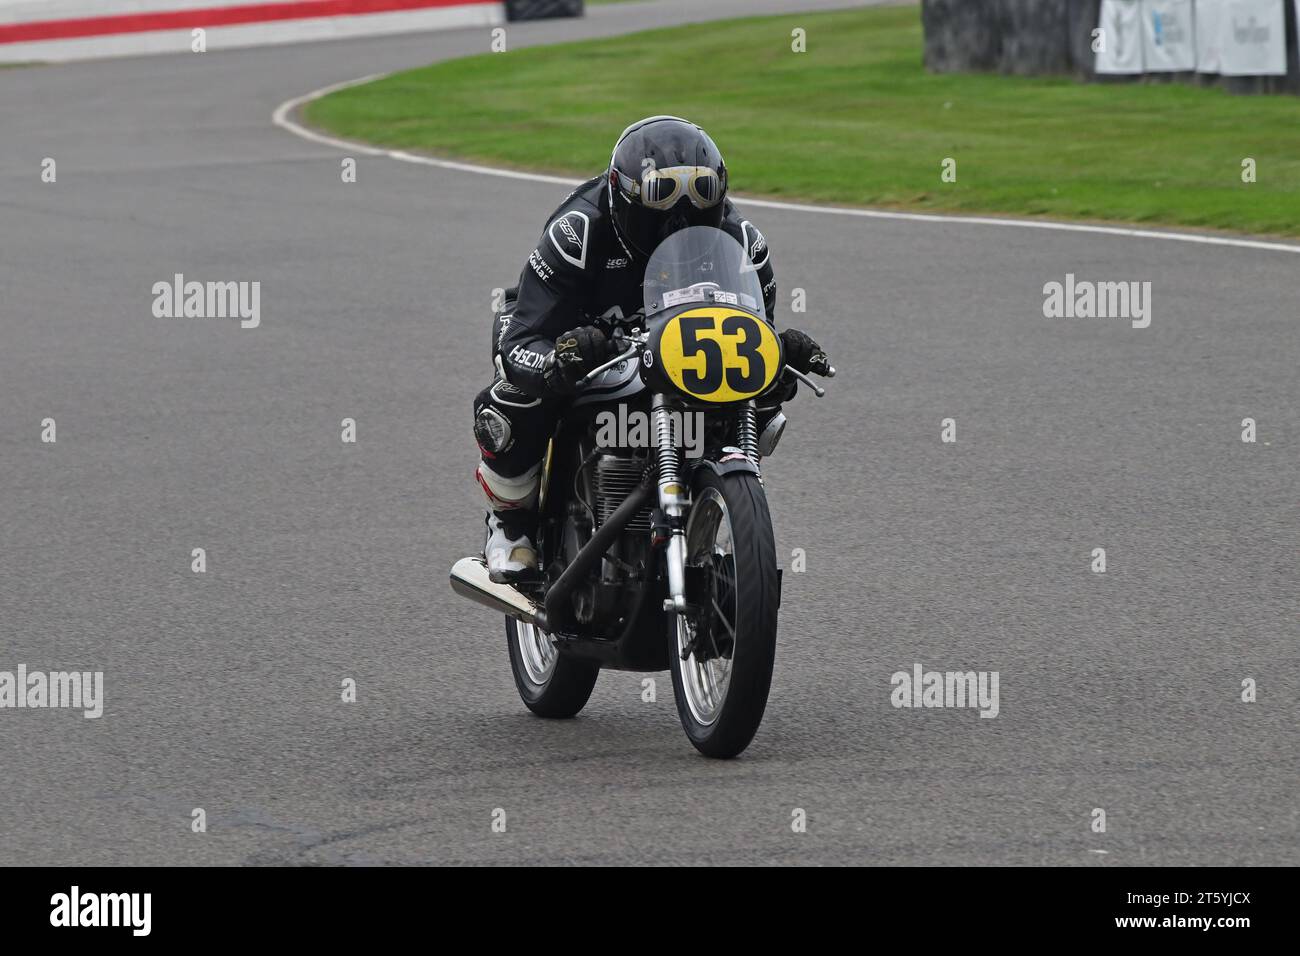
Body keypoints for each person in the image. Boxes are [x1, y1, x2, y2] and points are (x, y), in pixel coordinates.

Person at [473, 115, 826, 580]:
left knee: (763, 410)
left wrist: (778, 353)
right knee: (517, 398)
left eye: (696, 202)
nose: (677, 220)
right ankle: (511, 526)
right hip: (579, 342)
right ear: (624, 196)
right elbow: (520, 338)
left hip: (675, 351)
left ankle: (715, 515)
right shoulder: (578, 230)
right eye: (662, 203)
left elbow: (749, 328)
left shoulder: (742, 243)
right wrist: (561, 357)